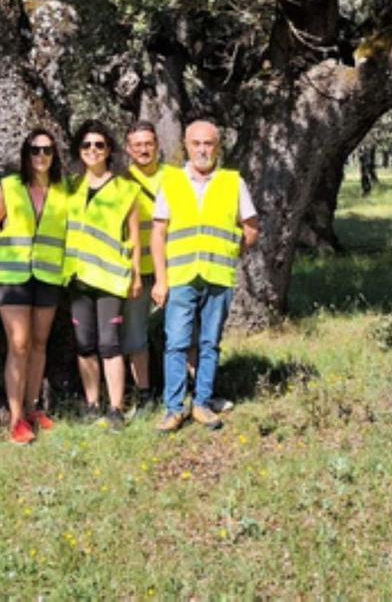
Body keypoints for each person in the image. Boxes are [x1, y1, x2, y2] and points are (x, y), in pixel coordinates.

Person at [150, 120, 259, 432]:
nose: (202, 149)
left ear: (218, 147)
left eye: (208, 143)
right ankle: (173, 408)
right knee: (177, 343)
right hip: (181, 275)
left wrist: (229, 252)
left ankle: (202, 403)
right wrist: (161, 278)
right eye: (196, 143)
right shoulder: (171, 181)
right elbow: (159, 234)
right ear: (186, 145)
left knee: (210, 343)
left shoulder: (232, 182)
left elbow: (251, 228)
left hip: (218, 276)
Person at [0, 128, 68, 444]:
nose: (41, 157)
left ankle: (33, 409)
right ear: (26, 154)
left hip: (47, 274)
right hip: (13, 276)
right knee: (18, 344)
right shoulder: (9, 186)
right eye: (35, 151)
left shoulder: (63, 190)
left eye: (47, 151)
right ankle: (16, 417)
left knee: (38, 343)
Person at [64, 120, 142, 431]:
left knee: (110, 344)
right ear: (79, 151)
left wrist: (136, 277)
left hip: (110, 279)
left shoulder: (126, 189)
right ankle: (92, 403)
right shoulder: (70, 187)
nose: (93, 150)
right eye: (86, 145)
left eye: (99, 145)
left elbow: (135, 237)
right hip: (77, 277)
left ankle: (116, 408)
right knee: (84, 344)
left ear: (109, 149)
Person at [120, 121, 164, 413]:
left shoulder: (174, 177)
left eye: (148, 143)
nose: (143, 150)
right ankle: (145, 393)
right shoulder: (121, 181)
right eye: (137, 145)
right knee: (135, 335)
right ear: (128, 149)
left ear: (157, 145)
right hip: (135, 270)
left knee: (185, 332)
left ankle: (193, 390)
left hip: (171, 269)